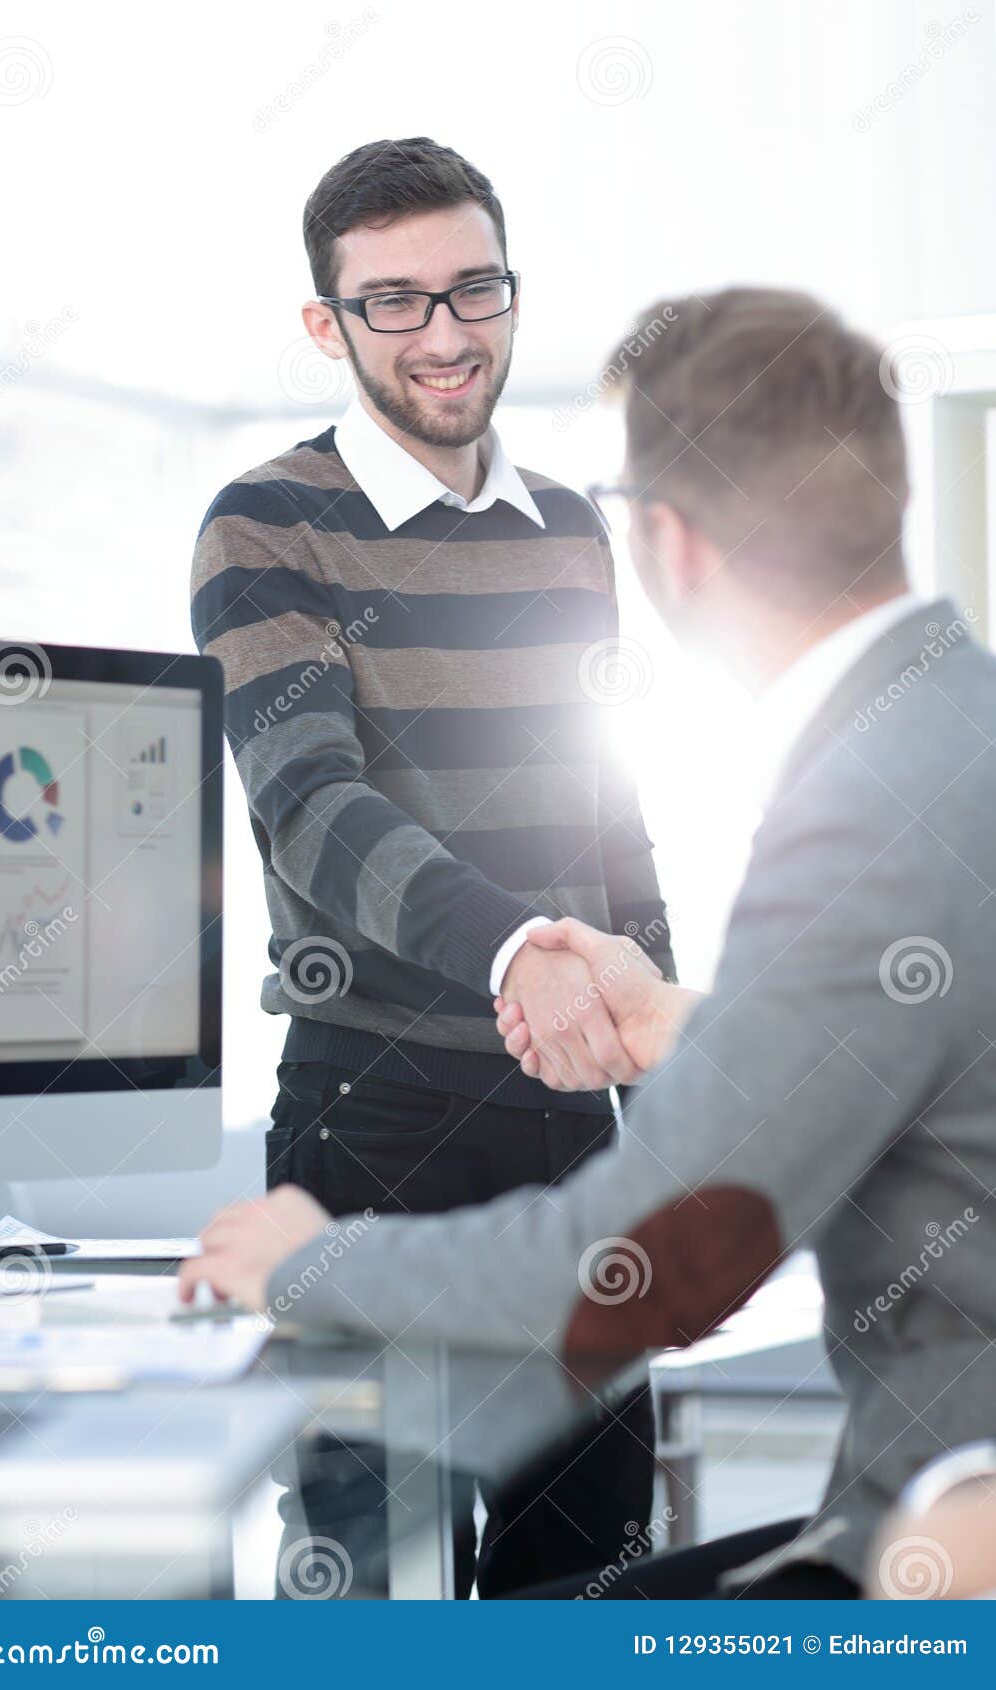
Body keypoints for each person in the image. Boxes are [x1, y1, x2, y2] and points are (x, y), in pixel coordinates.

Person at [184, 284, 996, 1598]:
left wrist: (306, 1258)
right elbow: (924, 1056)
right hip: (384, 1102)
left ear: (665, 548)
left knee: (522, 1619)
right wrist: (668, 1017)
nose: (442, 335)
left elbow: (638, 1271)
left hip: (934, 1553)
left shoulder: (863, 802)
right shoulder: (949, 726)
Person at [189, 136, 674, 1595]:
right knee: (373, 1567)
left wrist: (667, 1107)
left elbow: (608, 814)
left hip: (571, 1134)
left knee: (581, 1569)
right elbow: (312, 806)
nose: (446, 333)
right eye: (393, 302)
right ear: (325, 325)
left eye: (473, 289)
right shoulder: (266, 523)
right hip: (370, 1122)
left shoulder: (572, 528)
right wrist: (520, 944)